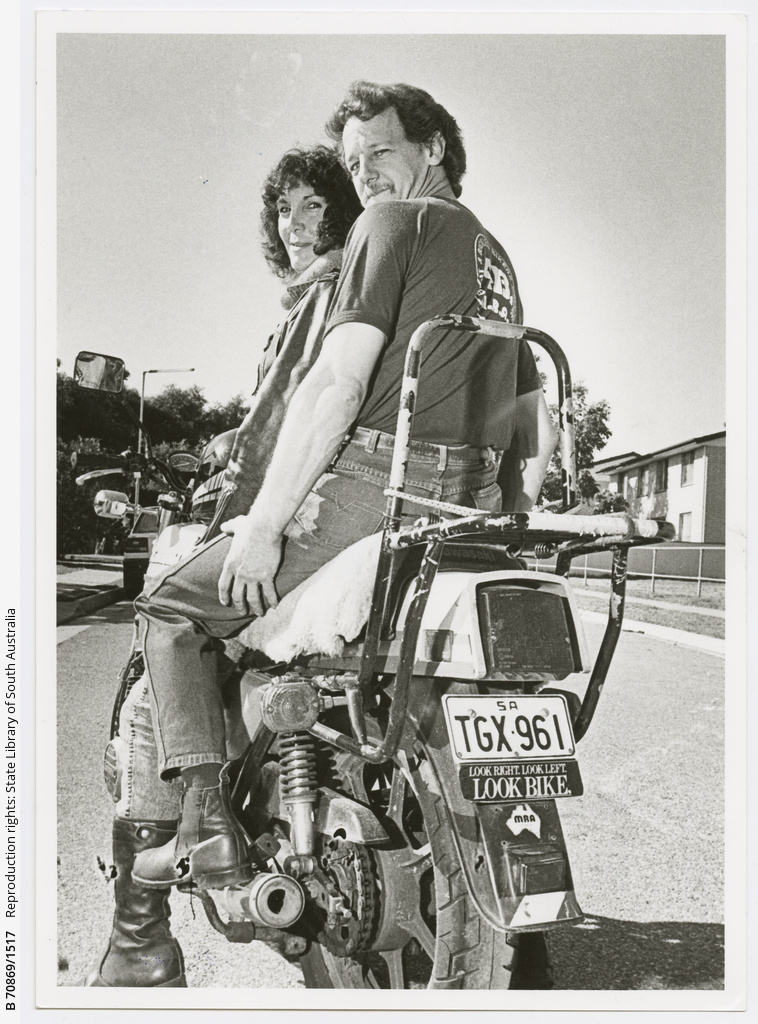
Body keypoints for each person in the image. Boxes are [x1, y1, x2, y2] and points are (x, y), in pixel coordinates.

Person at [129, 82, 556, 899]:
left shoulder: (392, 223)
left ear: (434, 149)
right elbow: (532, 423)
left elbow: (336, 384)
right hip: (463, 502)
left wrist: (264, 524)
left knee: (173, 611)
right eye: (354, 163)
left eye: (380, 152)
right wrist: (506, 513)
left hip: (375, 485)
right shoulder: (493, 258)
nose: (364, 176)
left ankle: (206, 825)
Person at [85, 144, 362, 988]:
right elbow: (264, 422)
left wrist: (230, 505)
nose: (295, 222)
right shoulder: (342, 295)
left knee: (150, 682)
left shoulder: (327, 298)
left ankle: (146, 938)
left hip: (303, 511)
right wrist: (220, 449)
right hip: (344, 502)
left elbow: (286, 422)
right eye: (285, 209)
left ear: (344, 213)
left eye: (314, 205)